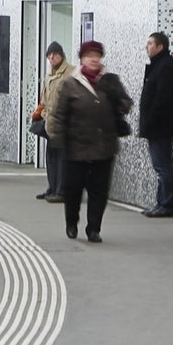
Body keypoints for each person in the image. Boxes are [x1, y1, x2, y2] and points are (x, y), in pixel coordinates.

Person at [47, 40, 132, 244]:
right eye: (89, 56)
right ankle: (71, 222)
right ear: (82, 59)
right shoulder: (71, 83)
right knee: (74, 189)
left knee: (99, 190)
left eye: (97, 55)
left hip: (104, 146)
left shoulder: (110, 80)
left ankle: (94, 228)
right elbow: (60, 114)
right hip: (76, 146)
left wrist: (117, 98)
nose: (94, 59)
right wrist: (58, 139)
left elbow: (126, 105)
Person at [139, 31, 173, 217]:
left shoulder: (166, 67)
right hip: (157, 125)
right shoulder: (159, 66)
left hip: (160, 126)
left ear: (160, 47)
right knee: (161, 166)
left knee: (163, 166)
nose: (147, 47)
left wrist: (150, 121)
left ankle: (167, 204)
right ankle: (162, 202)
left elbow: (163, 99)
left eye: (150, 43)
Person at [33, 41, 72, 203]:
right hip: (50, 122)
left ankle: (61, 191)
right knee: (51, 158)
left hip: (64, 123)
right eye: (49, 55)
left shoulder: (70, 73)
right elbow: (45, 99)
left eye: (54, 55)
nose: (51, 58)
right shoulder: (49, 76)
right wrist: (42, 112)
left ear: (61, 55)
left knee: (62, 158)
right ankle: (52, 187)